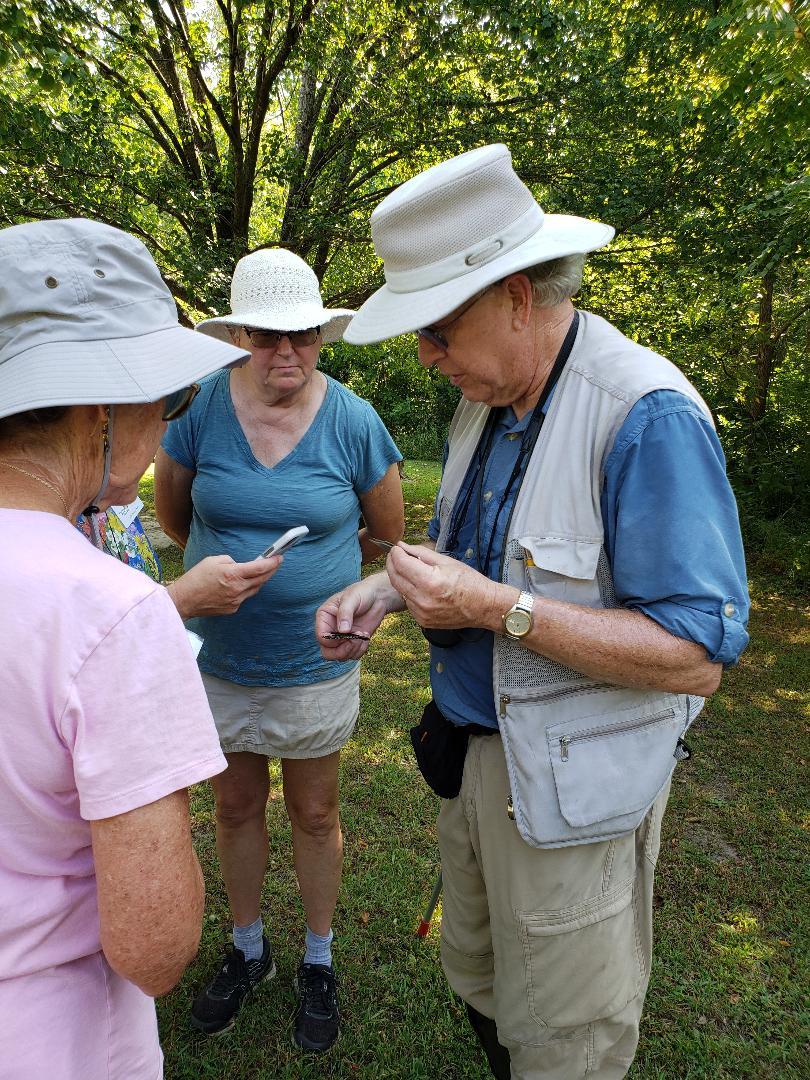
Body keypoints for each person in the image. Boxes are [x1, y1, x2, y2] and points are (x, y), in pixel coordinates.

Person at [316, 145, 750, 1079]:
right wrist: (389, 587)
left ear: (518, 296)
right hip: (479, 760)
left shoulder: (646, 414)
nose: (426, 357)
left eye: (436, 329)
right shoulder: (492, 398)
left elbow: (695, 655)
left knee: (567, 1035)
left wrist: (498, 609)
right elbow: (476, 555)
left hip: (574, 792)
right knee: (482, 979)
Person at [0, 218, 281, 1080]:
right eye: (165, 396)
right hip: (55, 1036)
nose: (166, 416)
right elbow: (155, 947)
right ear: (100, 409)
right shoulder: (111, 610)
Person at [154, 246, 404, 1050]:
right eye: (265, 337)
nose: (285, 352)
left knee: (315, 809)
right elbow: (175, 520)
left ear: (322, 338)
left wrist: (320, 588)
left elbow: (386, 536)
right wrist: (216, 579)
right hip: (220, 657)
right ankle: (248, 946)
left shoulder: (354, 421)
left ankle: (319, 958)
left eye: (301, 336)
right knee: (232, 805)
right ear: (239, 339)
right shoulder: (198, 415)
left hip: (312, 663)